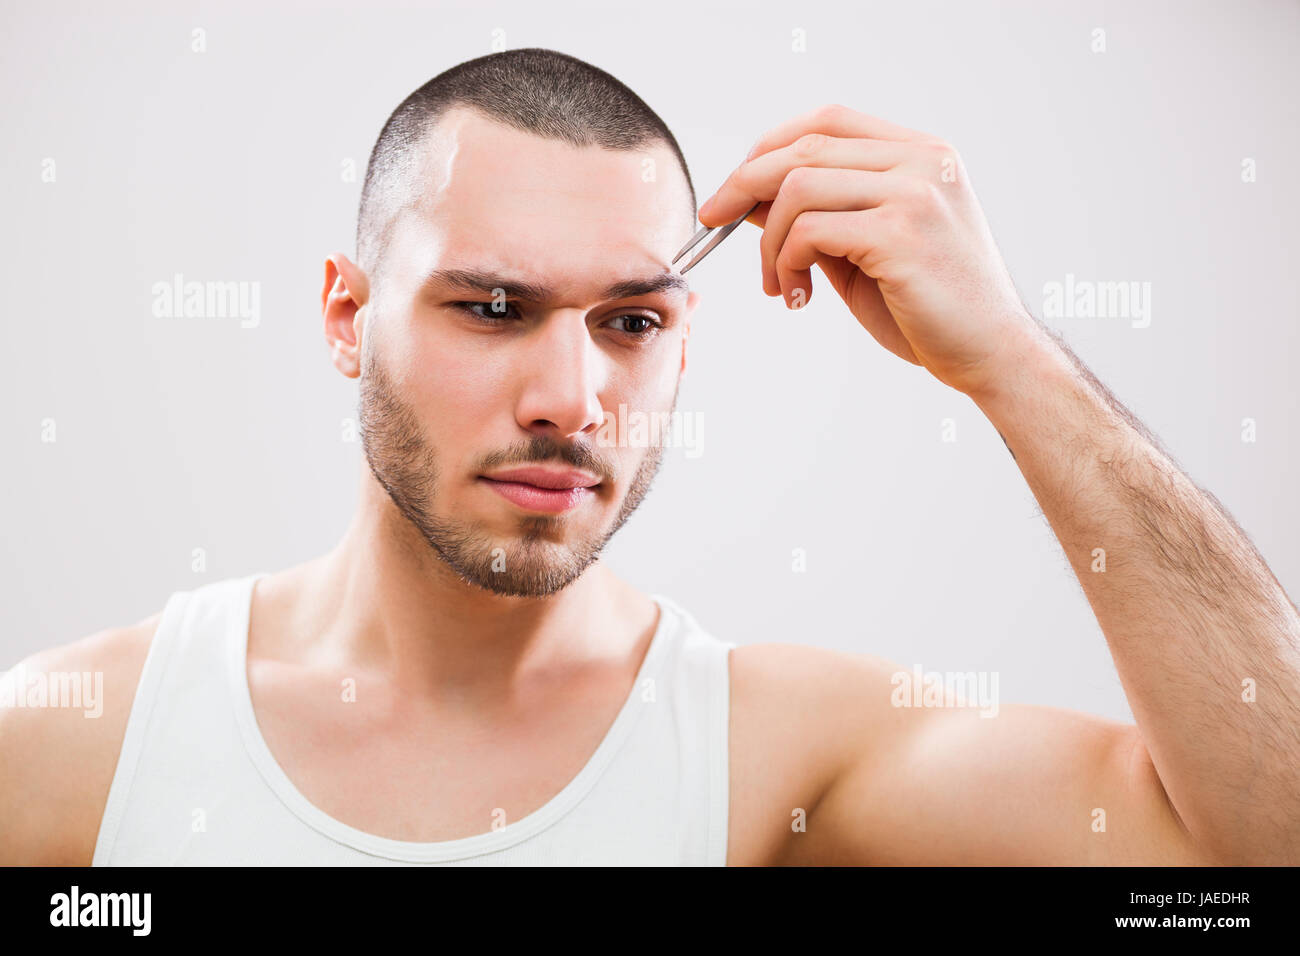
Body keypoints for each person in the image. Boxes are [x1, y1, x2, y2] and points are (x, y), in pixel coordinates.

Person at [3, 48, 1297, 866]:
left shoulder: (779, 755)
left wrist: (1012, 359)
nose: (574, 398)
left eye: (631, 321)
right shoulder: (79, 746)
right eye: (494, 309)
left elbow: (1257, 845)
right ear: (348, 317)